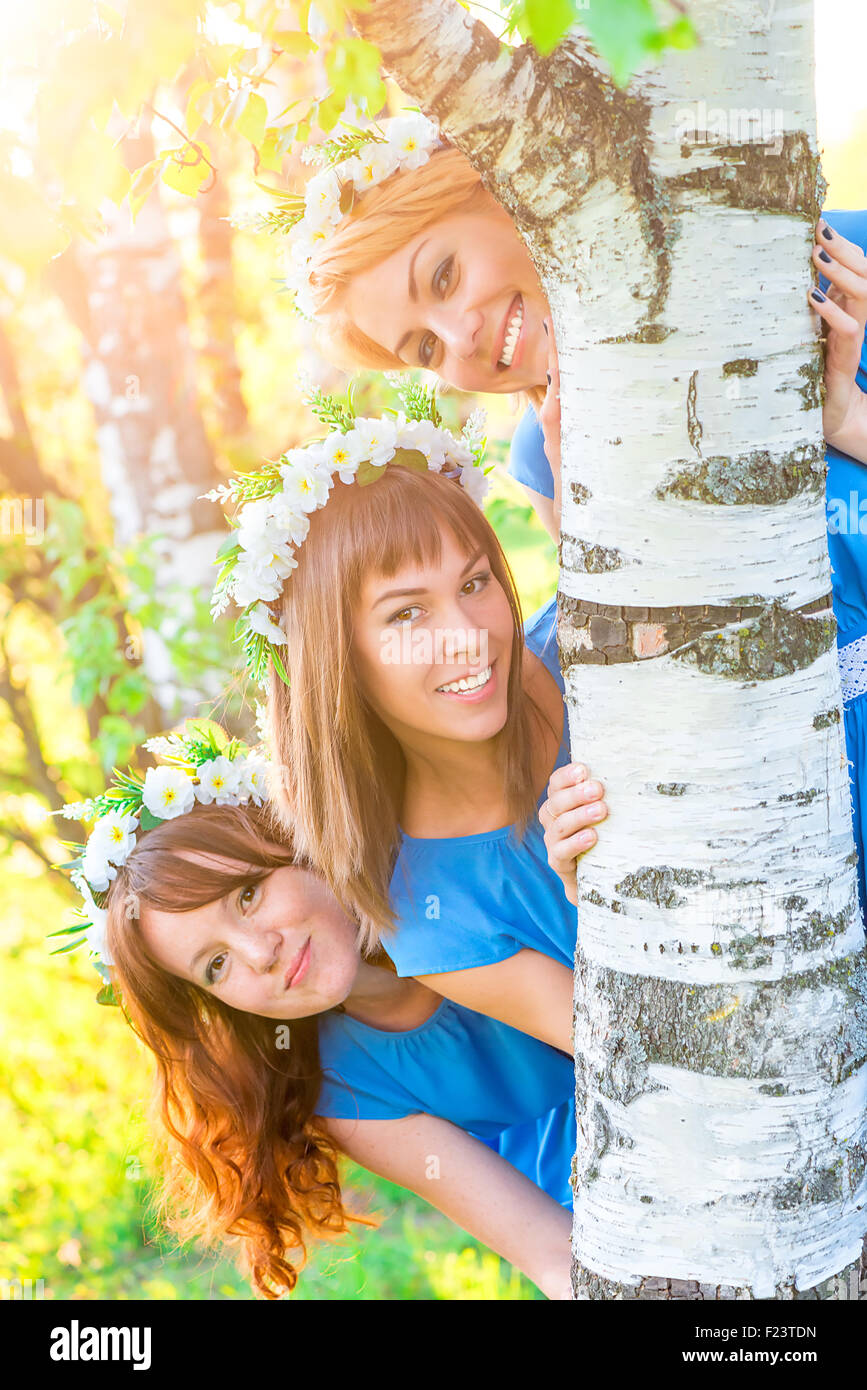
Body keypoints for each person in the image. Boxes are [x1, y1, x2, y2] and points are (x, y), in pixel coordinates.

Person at [282, 114, 867, 921]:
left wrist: (843, 420)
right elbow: (672, 685)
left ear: (508, 189)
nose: (461, 339)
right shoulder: (544, 458)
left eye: (444, 276)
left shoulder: (828, 266)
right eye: (421, 348)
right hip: (797, 835)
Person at [52, 725, 575, 1300]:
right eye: (216, 965)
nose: (260, 954)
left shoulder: (440, 869)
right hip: (595, 1179)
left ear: (291, 835)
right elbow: (553, 1254)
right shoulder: (340, 1083)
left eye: (248, 894)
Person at [209, 407, 605, 1058]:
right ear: (338, 665)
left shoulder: (596, 650)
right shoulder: (433, 917)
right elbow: (641, 1050)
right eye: (406, 614)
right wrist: (594, 890)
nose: (470, 637)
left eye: (475, 582)